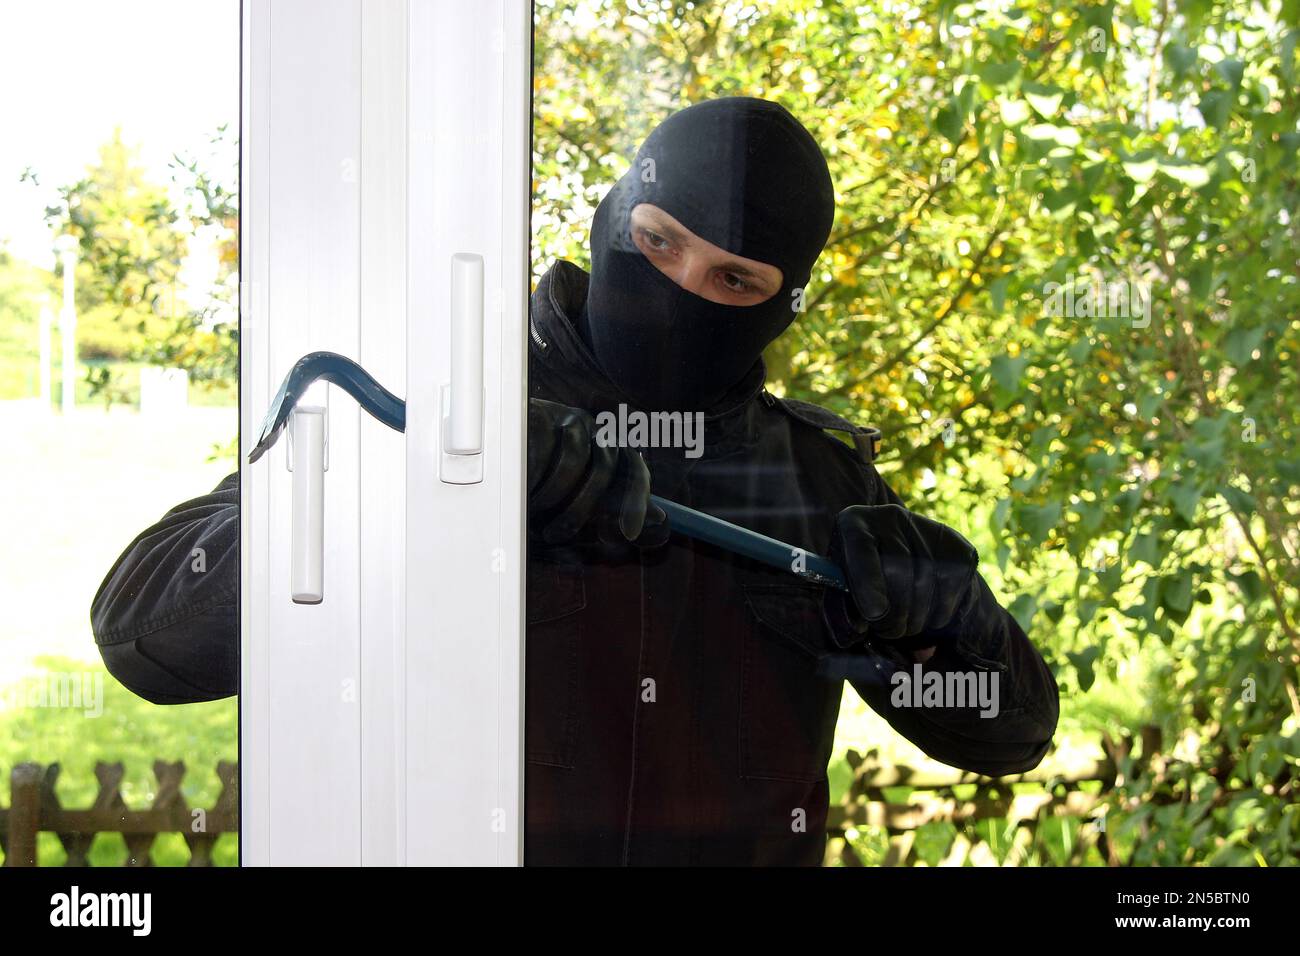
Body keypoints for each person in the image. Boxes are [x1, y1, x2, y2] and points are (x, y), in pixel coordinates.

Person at [91, 96, 1058, 866]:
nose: (682, 286)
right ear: (608, 217)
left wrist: (952, 623)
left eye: (734, 281)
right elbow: (142, 637)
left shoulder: (817, 483)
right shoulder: (441, 405)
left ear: (785, 304)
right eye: (659, 239)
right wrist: (409, 493)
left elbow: (1005, 736)